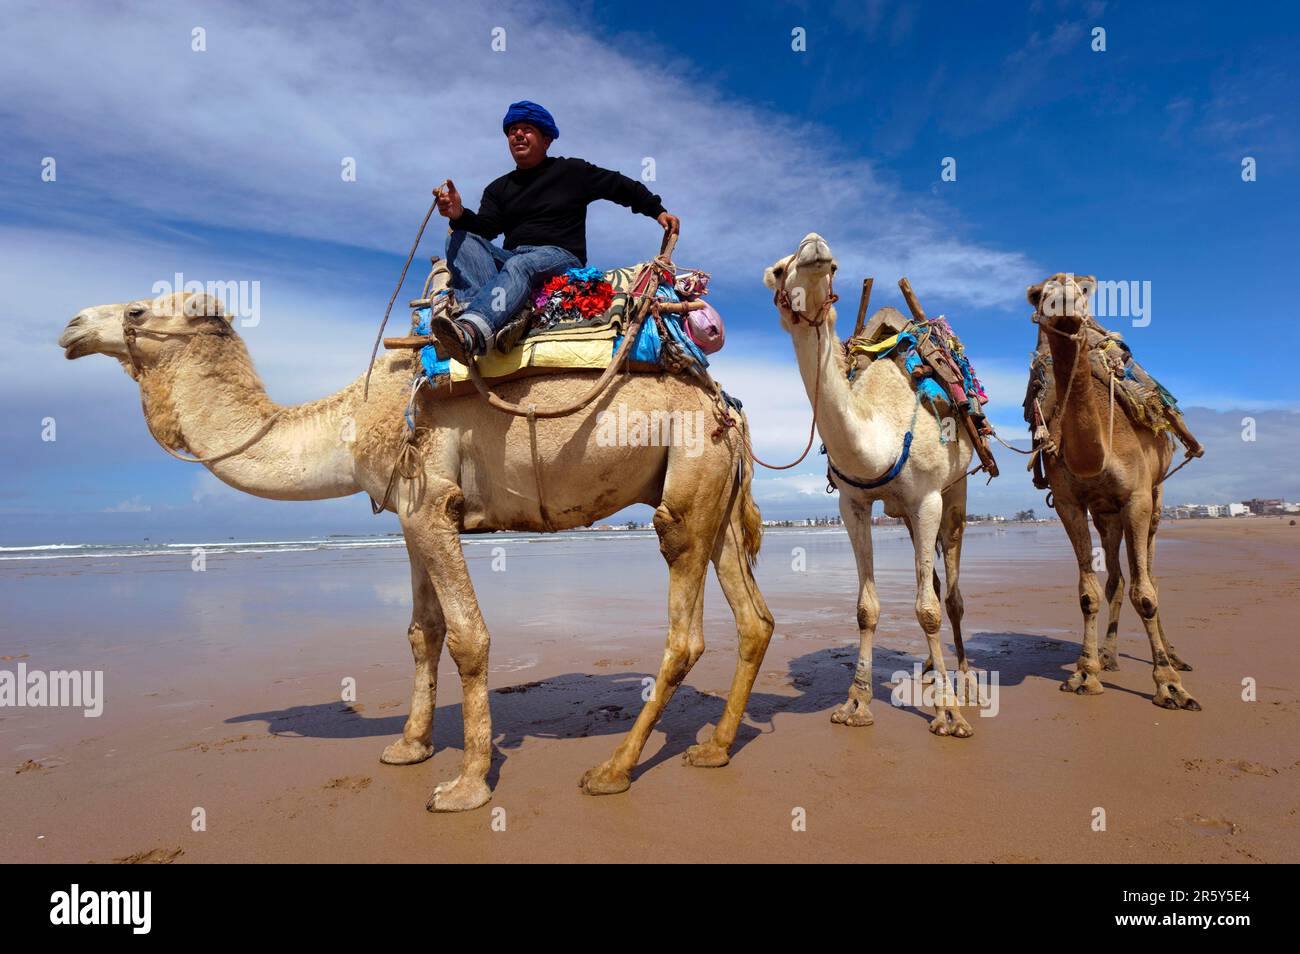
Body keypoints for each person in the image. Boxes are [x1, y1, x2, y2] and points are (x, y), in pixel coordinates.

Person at [430, 100, 680, 363]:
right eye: (512, 130)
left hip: (560, 257)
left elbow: (619, 185)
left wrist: (657, 210)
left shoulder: (572, 171)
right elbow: (486, 229)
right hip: (513, 257)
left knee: (519, 265)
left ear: (546, 140)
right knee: (460, 239)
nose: (517, 135)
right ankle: (477, 324)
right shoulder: (497, 189)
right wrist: (459, 214)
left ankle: (473, 330)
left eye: (527, 129)